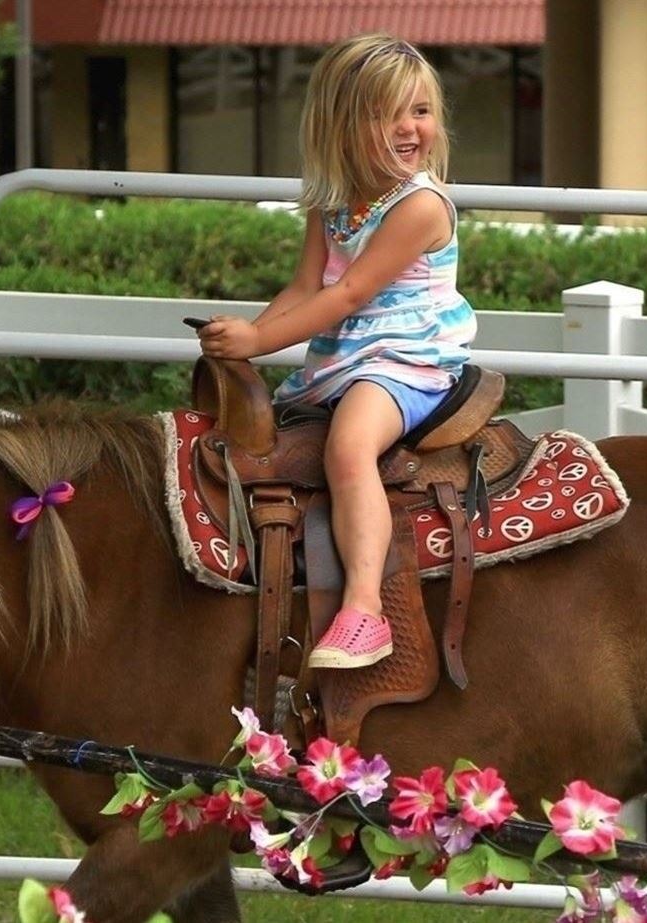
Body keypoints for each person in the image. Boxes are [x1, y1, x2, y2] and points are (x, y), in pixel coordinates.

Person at [197, 34, 476, 670]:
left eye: (422, 111)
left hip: (405, 361)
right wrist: (244, 346)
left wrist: (261, 341)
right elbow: (304, 287)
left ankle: (364, 609)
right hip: (347, 361)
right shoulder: (334, 205)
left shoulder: (421, 205)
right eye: (388, 115)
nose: (410, 129)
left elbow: (349, 293)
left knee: (348, 448)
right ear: (342, 125)